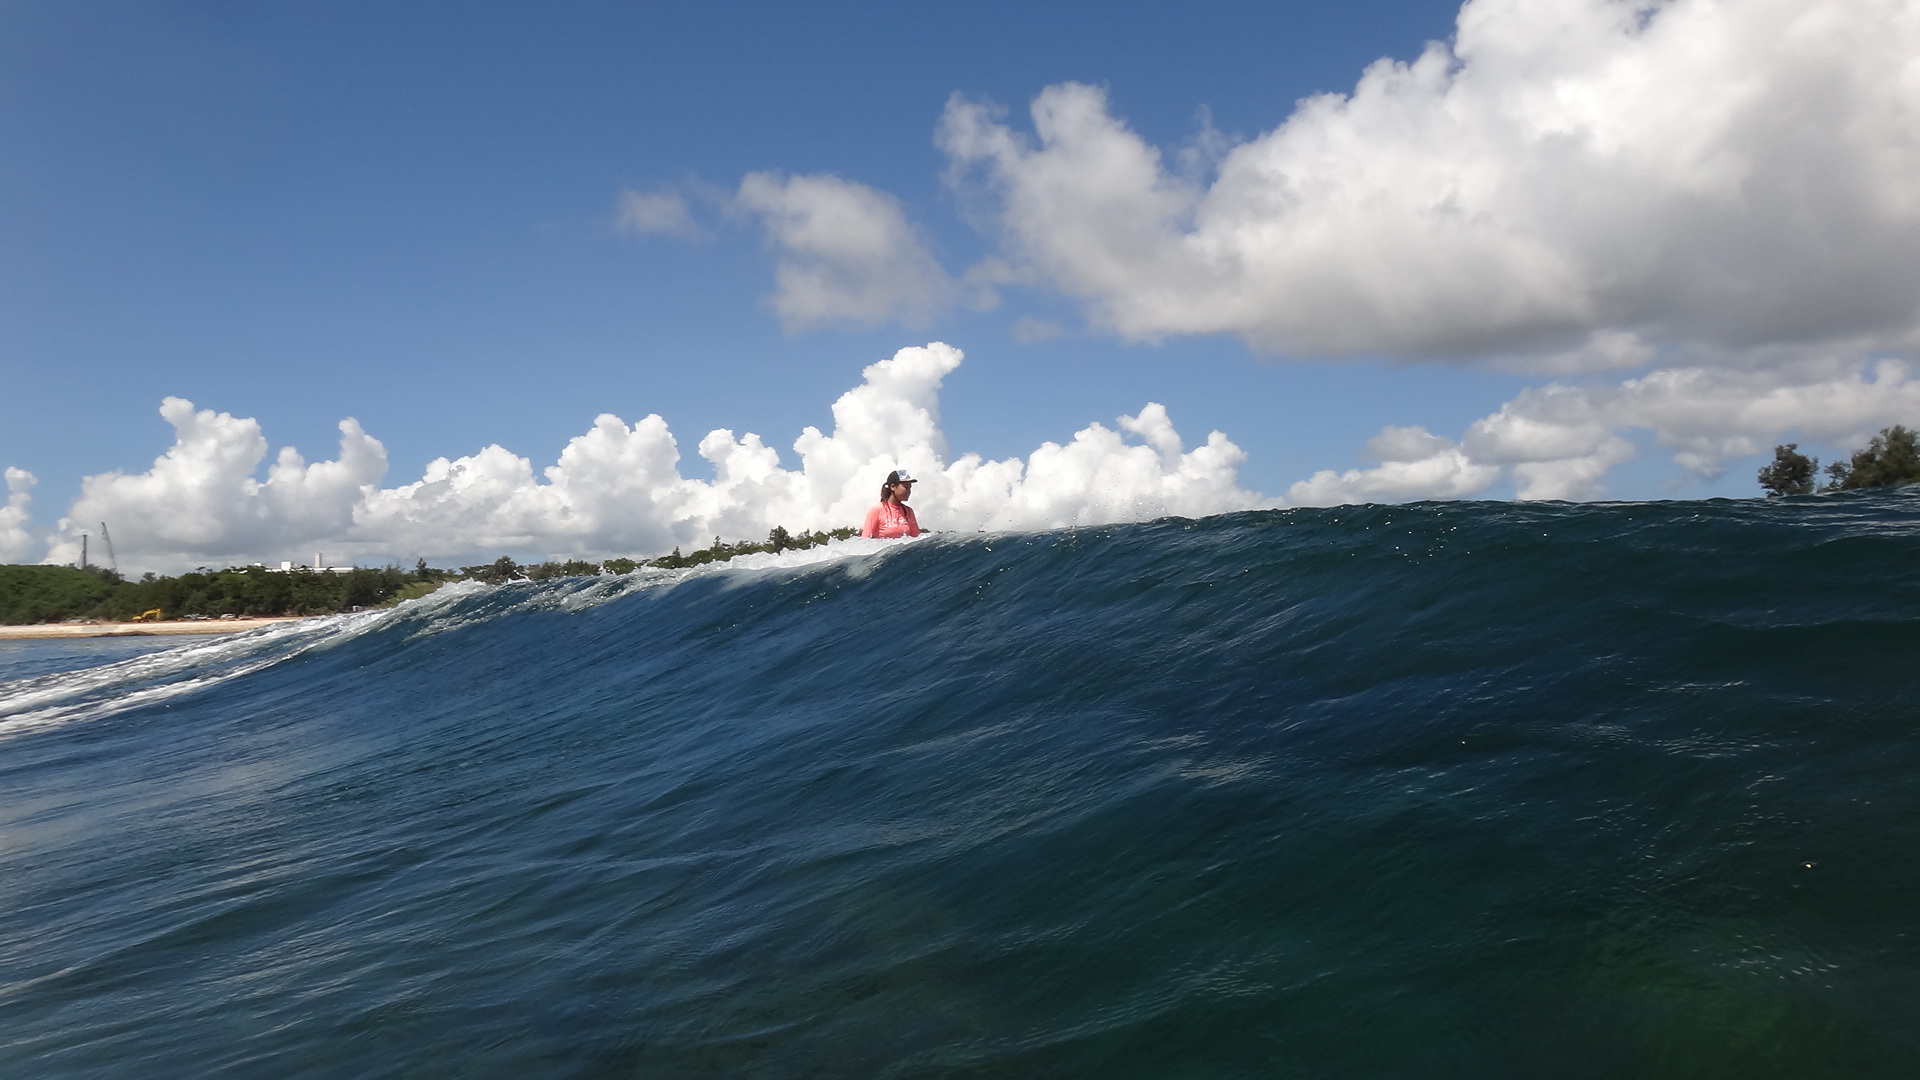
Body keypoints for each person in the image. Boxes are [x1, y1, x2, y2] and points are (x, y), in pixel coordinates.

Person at [860, 469, 923, 538]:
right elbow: (865, 539)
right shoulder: (877, 509)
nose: (909, 491)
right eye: (906, 487)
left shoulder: (908, 511)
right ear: (893, 487)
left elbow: (917, 538)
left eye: (910, 488)